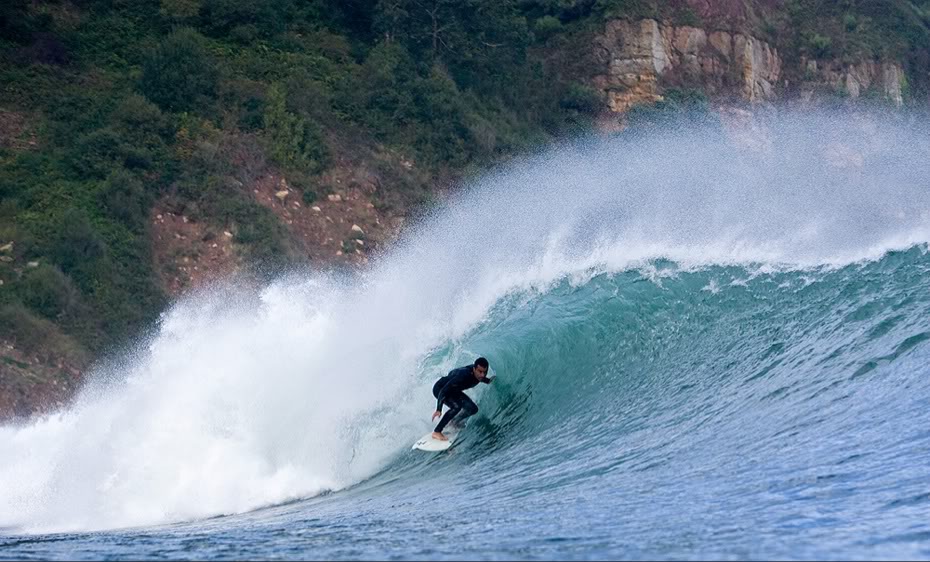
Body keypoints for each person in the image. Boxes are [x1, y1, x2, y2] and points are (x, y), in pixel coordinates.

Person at [431, 357, 495, 441]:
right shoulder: (463, 375)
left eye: (485, 372)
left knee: (473, 409)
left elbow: (482, 378)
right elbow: (444, 391)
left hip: (454, 390)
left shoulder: (479, 375)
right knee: (457, 406)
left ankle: (453, 422)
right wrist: (439, 409)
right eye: (480, 372)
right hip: (440, 389)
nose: (482, 375)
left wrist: (489, 380)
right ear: (474, 369)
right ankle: (437, 431)